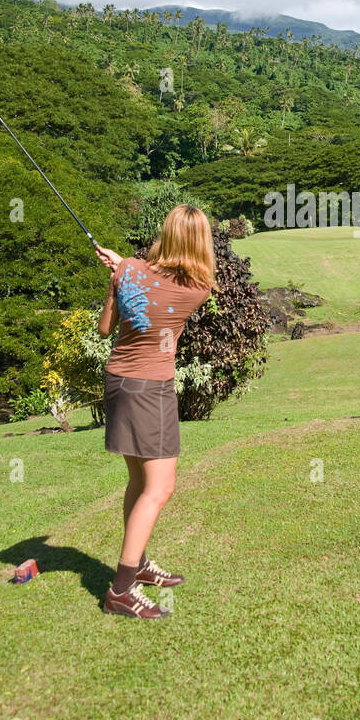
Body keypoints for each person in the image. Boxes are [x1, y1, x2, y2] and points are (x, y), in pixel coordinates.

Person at [94, 205, 214, 618]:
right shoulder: (196, 289)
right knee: (160, 488)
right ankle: (122, 590)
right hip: (151, 389)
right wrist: (125, 268)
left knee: (138, 482)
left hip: (118, 381)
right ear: (200, 243)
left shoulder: (127, 269)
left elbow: (104, 329)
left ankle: (139, 561)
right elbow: (161, 281)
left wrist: (119, 273)